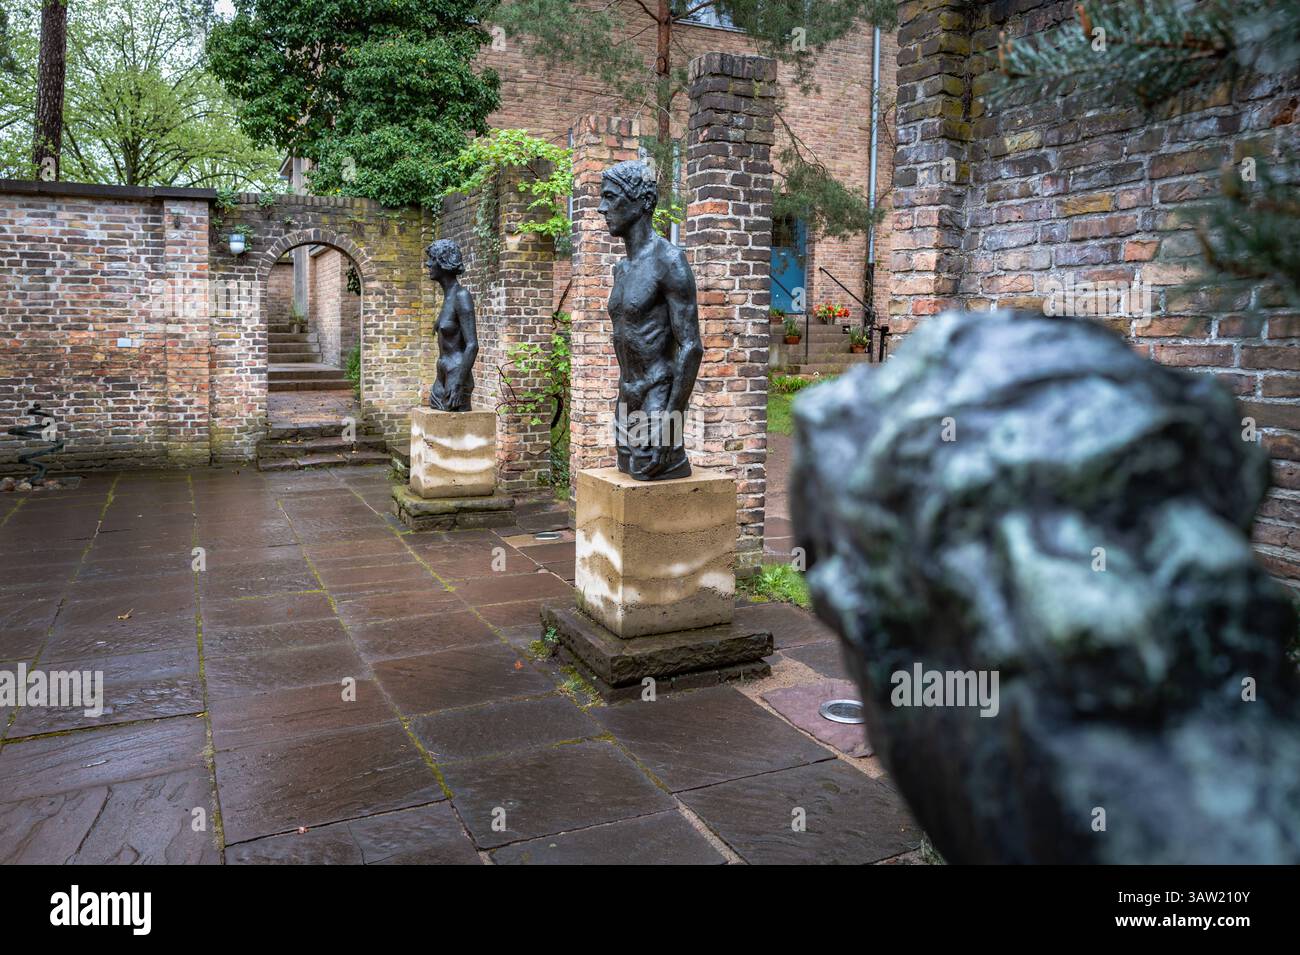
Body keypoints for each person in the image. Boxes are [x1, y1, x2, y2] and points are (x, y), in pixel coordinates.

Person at [599, 160, 702, 481]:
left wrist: (672, 421)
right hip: (627, 394)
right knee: (627, 473)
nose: (602, 208)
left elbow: (691, 346)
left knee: (649, 475)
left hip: (657, 396)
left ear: (641, 203)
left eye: (610, 197)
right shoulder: (622, 269)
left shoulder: (669, 260)